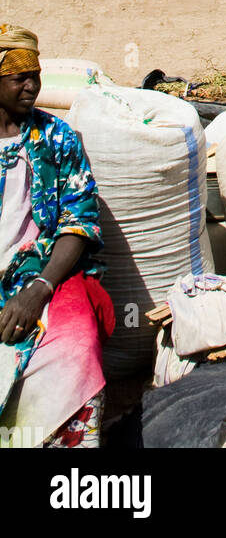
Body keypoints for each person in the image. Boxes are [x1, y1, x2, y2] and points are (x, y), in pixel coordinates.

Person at [0, 25, 114, 448]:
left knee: (76, 344)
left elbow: (79, 224)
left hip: (41, 273)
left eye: (36, 76)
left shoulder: (56, 139)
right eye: (19, 78)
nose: (31, 87)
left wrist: (38, 289)